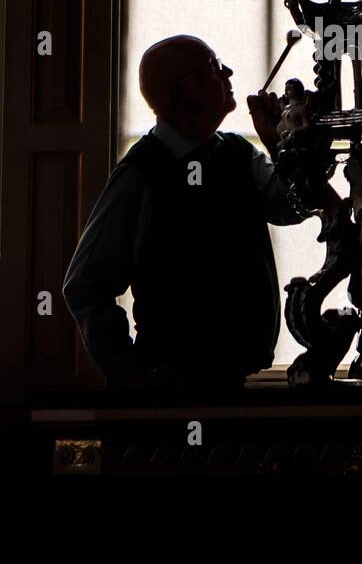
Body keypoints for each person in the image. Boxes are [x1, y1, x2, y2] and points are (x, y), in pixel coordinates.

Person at [61, 34, 303, 390]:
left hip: (235, 381)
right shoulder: (142, 173)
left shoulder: (238, 154)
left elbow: (292, 208)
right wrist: (130, 373)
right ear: (181, 92)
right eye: (214, 68)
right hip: (168, 394)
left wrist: (280, 142)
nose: (229, 72)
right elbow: (84, 285)